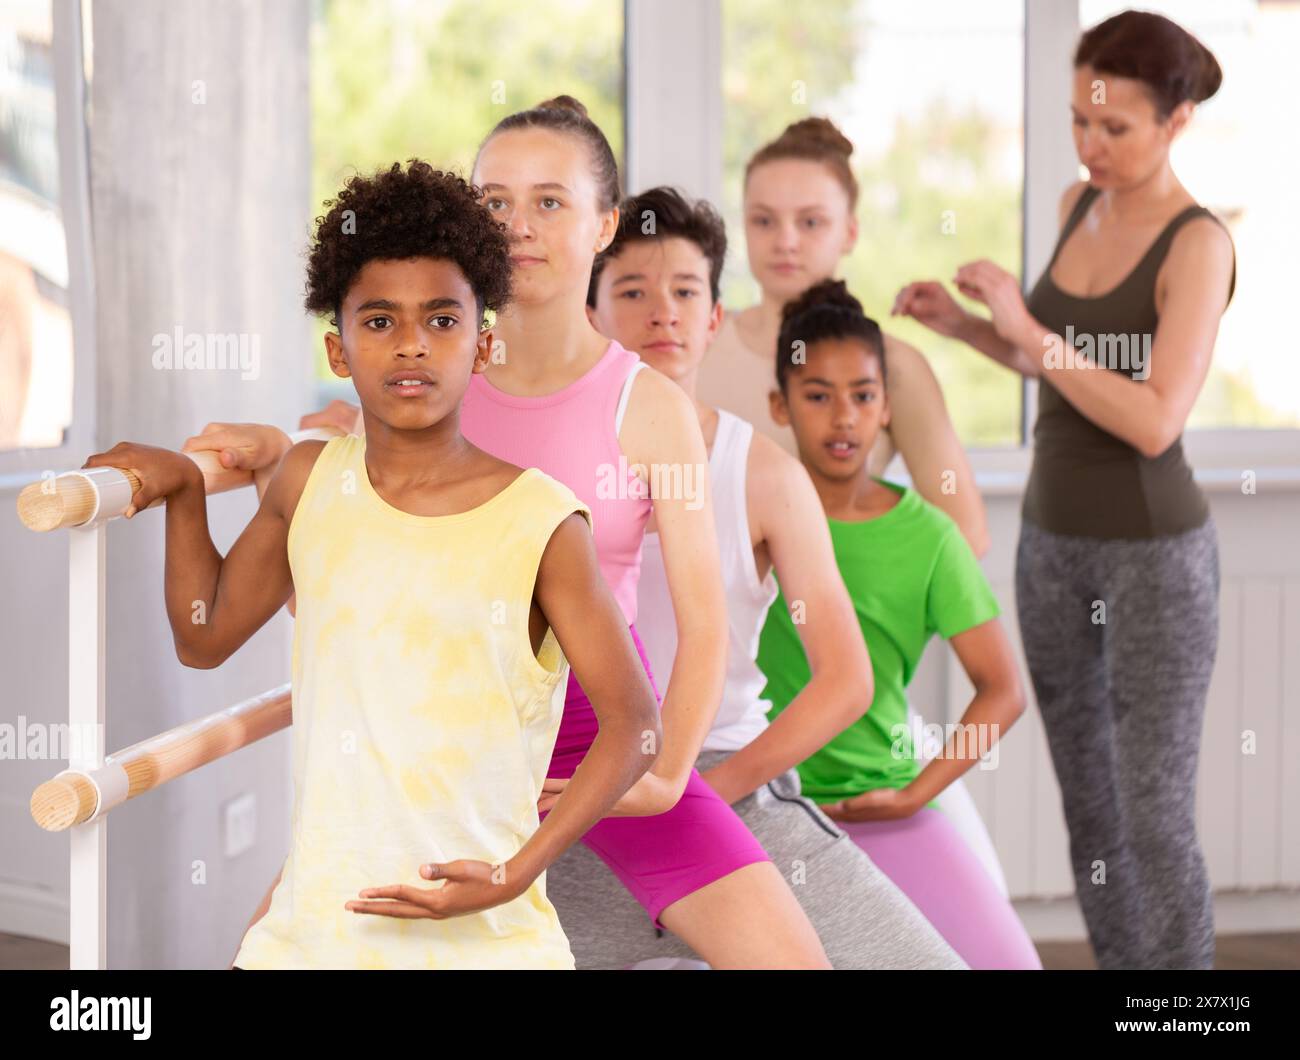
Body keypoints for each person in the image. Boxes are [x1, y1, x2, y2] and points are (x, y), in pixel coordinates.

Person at [192, 98, 832, 968]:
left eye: (549, 202)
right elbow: (336, 463)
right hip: (447, 722)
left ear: (606, 224)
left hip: (596, 722)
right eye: (495, 202)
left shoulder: (648, 406)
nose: (520, 227)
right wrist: (265, 448)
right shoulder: (436, 366)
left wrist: (668, 773)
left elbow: (704, 617)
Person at [86, 161, 661, 969]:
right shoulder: (307, 480)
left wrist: (514, 872)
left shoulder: (542, 520)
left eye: (441, 320)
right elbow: (204, 637)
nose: (412, 345)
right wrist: (185, 493)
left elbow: (636, 726)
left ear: (482, 342)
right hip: (316, 936)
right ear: (340, 346)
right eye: (381, 321)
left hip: (487, 945)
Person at [540, 185, 967, 969]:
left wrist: (710, 789)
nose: (661, 312)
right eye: (631, 291)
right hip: (579, 786)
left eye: (684, 292)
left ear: (714, 320)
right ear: (593, 313)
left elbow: (845, 681)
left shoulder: (763, 474)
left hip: (723, 777)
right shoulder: (544, 458)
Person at [893, 9, 1235, 970]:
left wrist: (1030, 331)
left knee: (1153, 816)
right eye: (1080, 121)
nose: (1090, 147)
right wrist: (966, 327)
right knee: (1089, 808)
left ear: (1175, 124)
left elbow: (1154, 416)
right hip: (1052, 546)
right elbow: (1051, 366)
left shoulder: (1198, 245)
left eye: (1116, 128)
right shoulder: (1075, 208)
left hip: (1156, 558)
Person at [695, 114, 1011, 897]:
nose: (785, 241)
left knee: (960, 906)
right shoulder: (695, 344)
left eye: (811, 221)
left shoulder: (892, 365)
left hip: (852, 706)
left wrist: (833, 610)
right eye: (764, 220)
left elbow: (959, 531)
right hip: (715, 698)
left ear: (851, 232)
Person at [756, 279, 1041, 970]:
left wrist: (915, 792)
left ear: (886, 407)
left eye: (862, 395)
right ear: (781, 406)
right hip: (758, 804)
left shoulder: (930, 538)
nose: (843, 417)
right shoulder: (744, 514)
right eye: (818, 395)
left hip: (878, 802)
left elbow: (1002, 689)